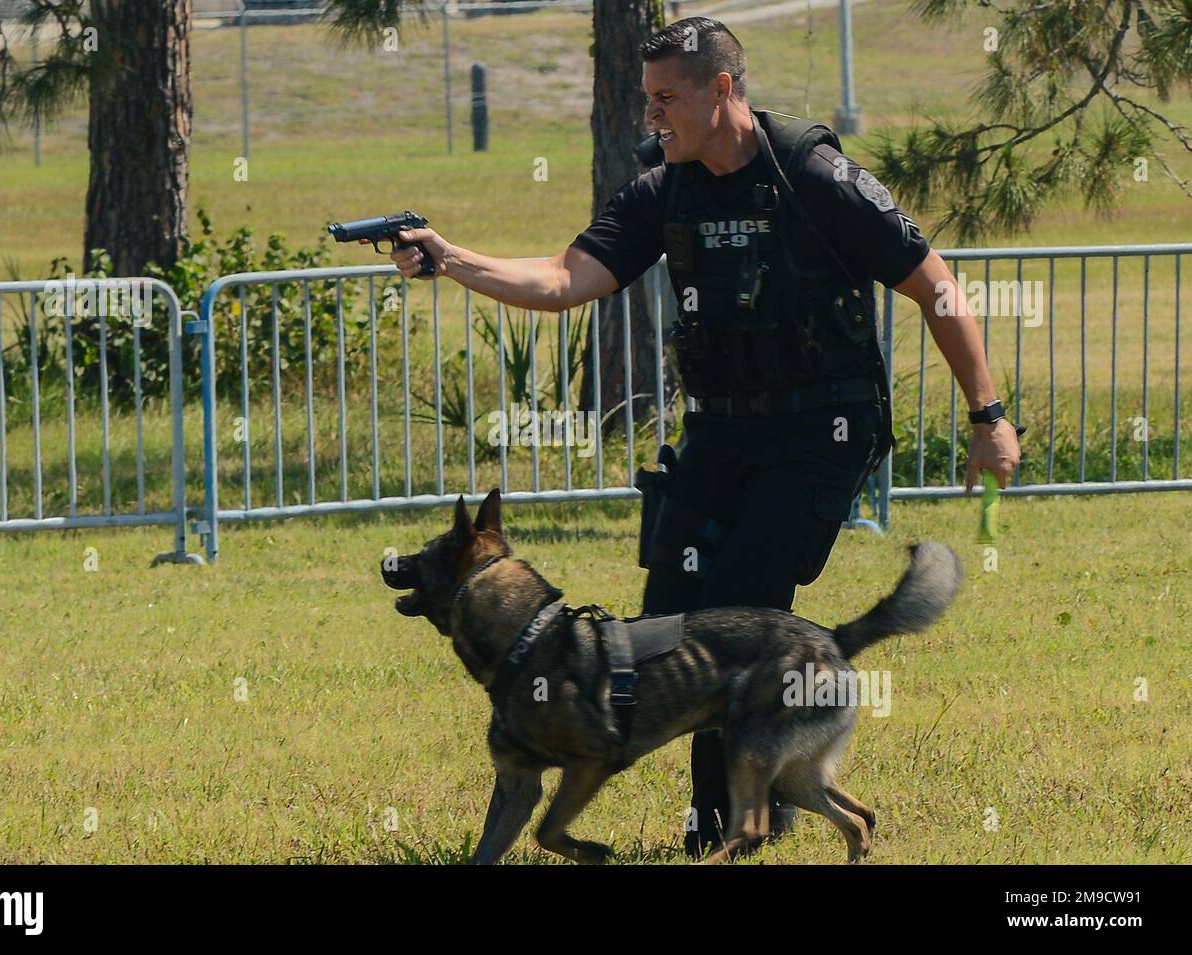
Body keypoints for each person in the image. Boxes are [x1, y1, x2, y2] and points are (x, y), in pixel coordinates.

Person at [375, 17, 1021, 857]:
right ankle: (751, 805)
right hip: (719, 430)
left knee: (736, 606)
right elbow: (566, 278)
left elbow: (934, 285)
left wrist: (987, 414)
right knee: (669, 624)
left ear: (721, 89)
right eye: (648, 99)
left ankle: (727, 829)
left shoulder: (813, 175)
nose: (652, 115)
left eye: (665, 98)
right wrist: (451, 257)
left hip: (820, 430)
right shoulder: (664, 190)